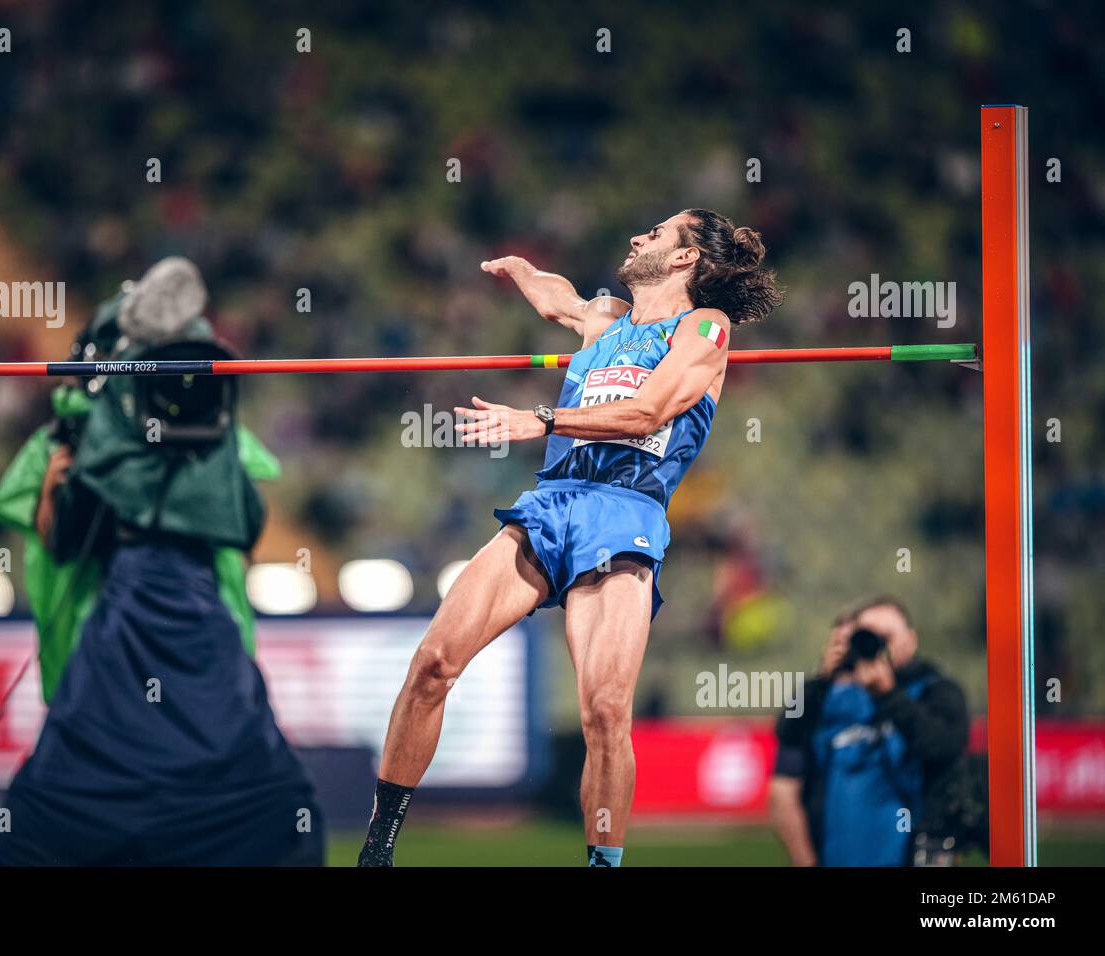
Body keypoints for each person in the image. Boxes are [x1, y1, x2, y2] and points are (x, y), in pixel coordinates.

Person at [357, 209, 782, 867]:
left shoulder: (704, 327)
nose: (639, 234)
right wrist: (524, 272)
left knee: (606, 712)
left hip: (624, 512)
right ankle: (377, 850)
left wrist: (542, 418)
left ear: (684, 259)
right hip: (551, 505)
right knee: (433, 663)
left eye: (660, 232)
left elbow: (650, 410)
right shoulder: (606, 317)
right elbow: (563, 300)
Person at [0, 259, 323, 866]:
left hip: (129, 617)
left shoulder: (101, 447)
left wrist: (65, 480)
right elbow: (244, 527)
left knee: (85, 775)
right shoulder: (216, 446)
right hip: (197, 617)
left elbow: (69, 540)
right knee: (263, 787)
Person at [769, 596, 972, 866]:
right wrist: (821, 681)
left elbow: (943, 746)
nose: (877, 646)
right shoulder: (830, 696)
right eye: (866, 636)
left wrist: (889, 695)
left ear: (910, 640)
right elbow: (787, 742)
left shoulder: (934, 690)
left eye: (886, 636)